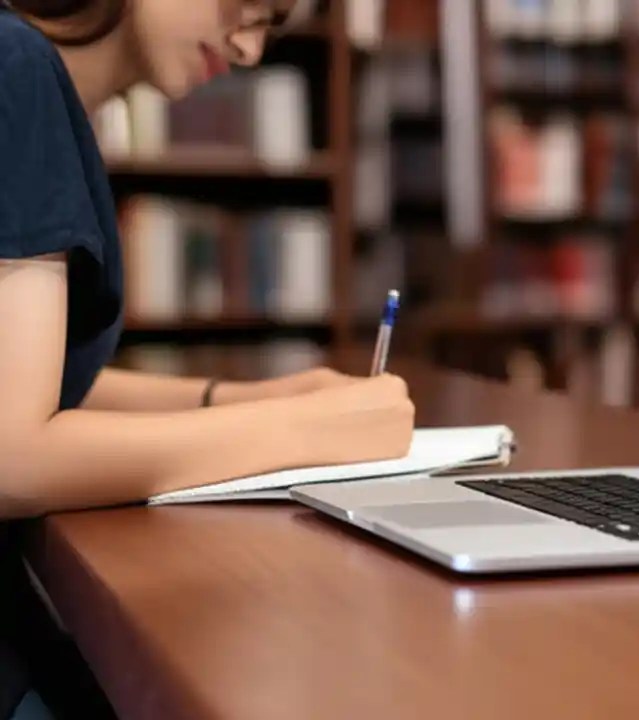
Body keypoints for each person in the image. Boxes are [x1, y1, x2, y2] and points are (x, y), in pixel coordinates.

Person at [0, 1, 417, 716]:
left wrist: (250, 399)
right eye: (249, 5)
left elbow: (40, 384)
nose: (251, 49)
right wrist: (311, 436)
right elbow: (10, 453)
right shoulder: (18, 72)